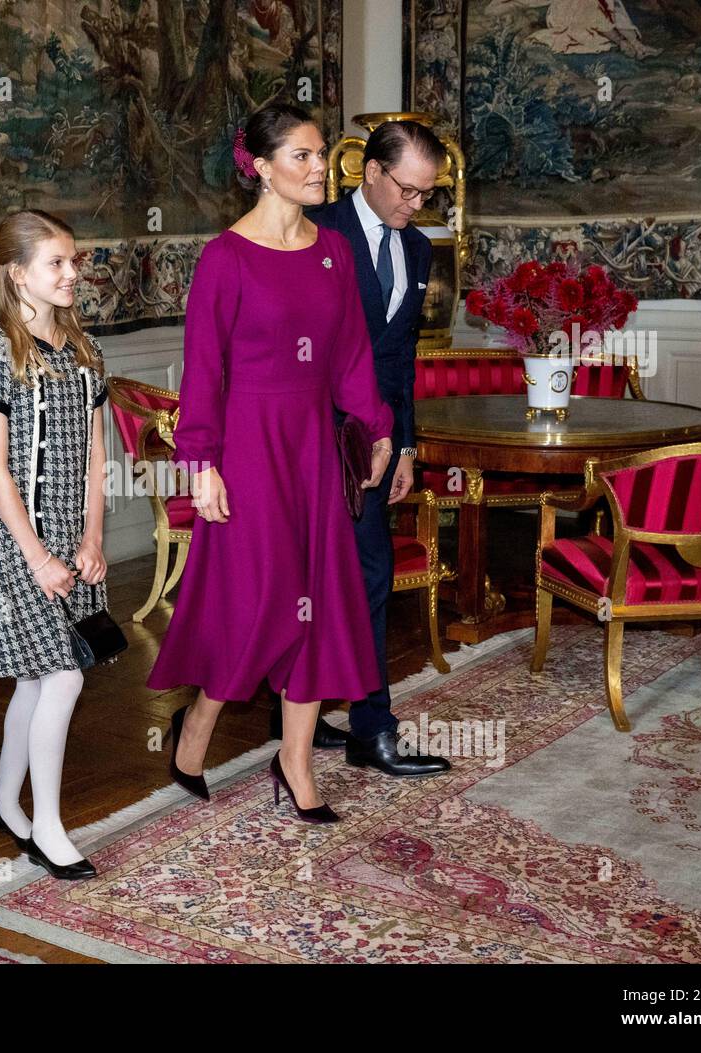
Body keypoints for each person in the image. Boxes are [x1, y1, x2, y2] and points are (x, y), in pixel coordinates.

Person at [145, 104, 394, 824]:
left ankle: (295, 759)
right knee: (252, 601)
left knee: (314, 601)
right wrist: (202, 464)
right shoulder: (225, 258)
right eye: (304, 157)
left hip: (313, 445)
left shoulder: (333, 253)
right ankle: (196, 728)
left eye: (322, 156)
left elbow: (350, 353)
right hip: (248, 448)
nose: (321, 168)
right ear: (260, 167)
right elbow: (204, 372)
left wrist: (375, 426)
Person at [0, 209, 111, 880]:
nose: (71, 273)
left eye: (74, 260)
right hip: (16, 538)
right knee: (64, 673)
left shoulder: (85, 352)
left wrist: (92, 538)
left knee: (38, 672)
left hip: (69, 535)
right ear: (18, 274)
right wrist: (38, 554)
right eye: (56, 263)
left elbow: (95, 456)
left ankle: (4, 796)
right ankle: (48, 822)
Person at [308, 120, 452, 778]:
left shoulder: (418, 251)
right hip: (309, 439)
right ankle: (287, 710)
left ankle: (372, 727)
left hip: (375, 445)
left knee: (370, 575)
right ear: (370, 171)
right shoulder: (314, 231)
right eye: (408, 189)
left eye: (427, 194)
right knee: (300, 579)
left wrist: (406, 447)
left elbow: (400, 360)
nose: (414, 205)